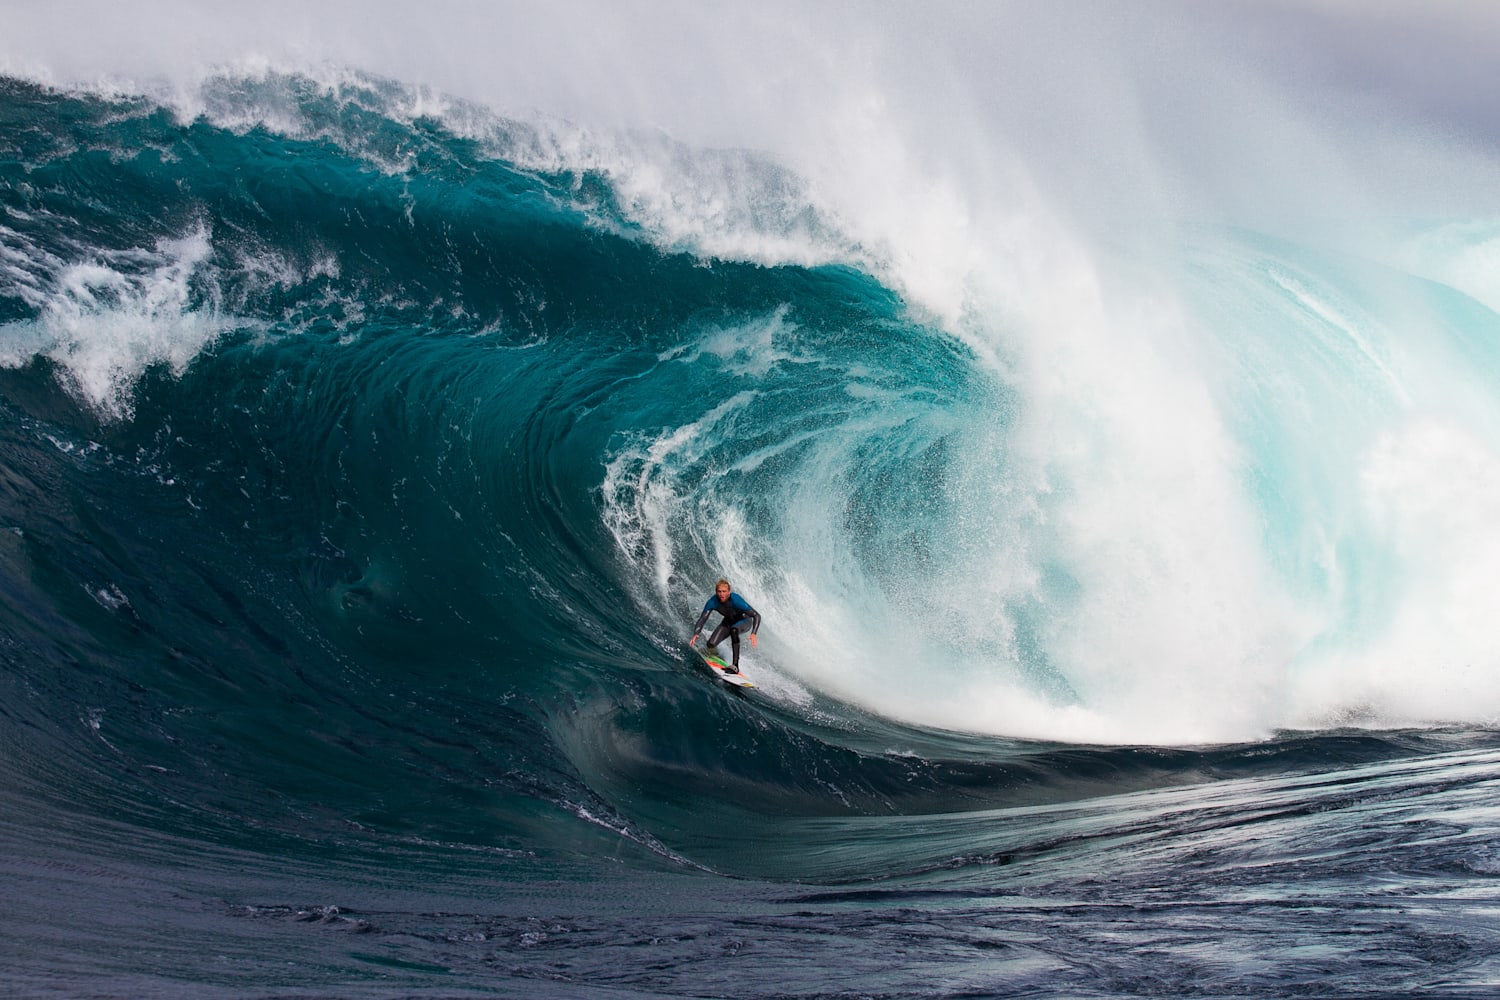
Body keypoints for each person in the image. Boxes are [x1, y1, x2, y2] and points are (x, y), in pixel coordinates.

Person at [689, 578, 760, 672]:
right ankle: (714, 654)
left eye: (724, 591)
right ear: (716, 592)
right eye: (719, 591)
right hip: (728, 622)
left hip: (745, 621)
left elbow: (756, 615)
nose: (721, 594)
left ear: (729, 592)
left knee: (734, 630)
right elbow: (702, 618)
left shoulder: (735, 599)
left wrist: (754, 633)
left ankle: (735, 666)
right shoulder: (713, 602)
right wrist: (696, 633)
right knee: (711, 644)